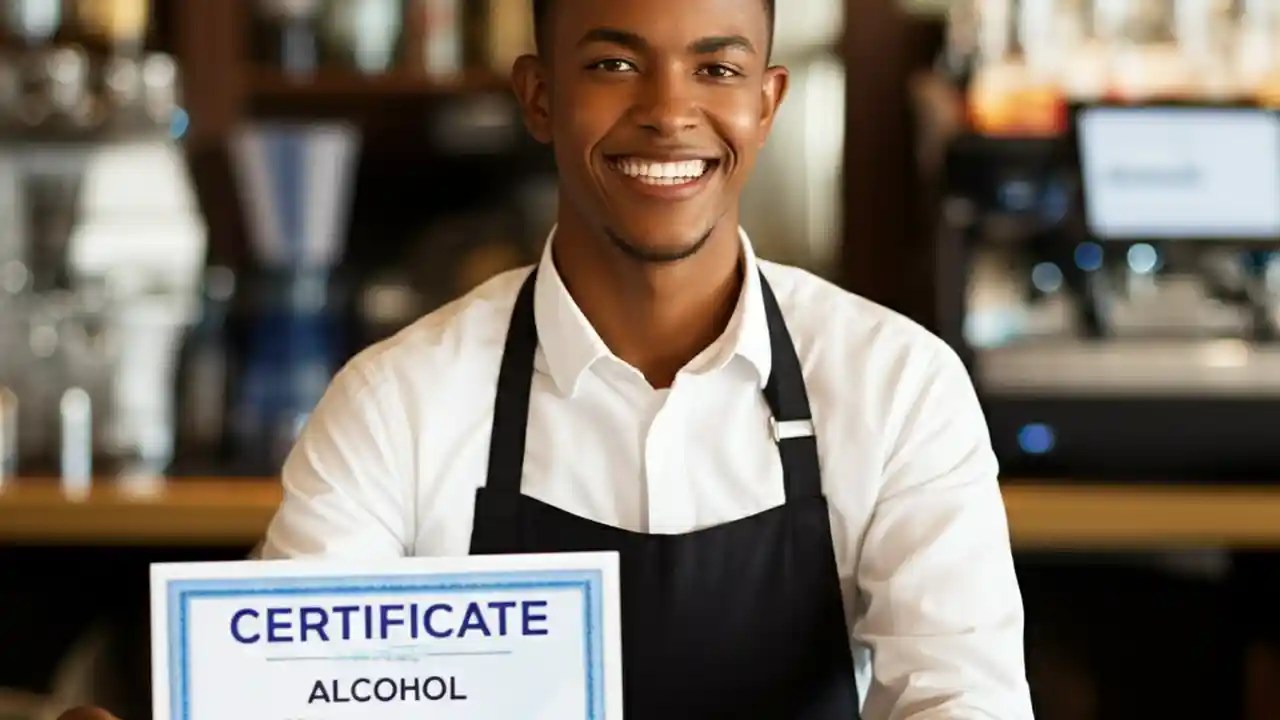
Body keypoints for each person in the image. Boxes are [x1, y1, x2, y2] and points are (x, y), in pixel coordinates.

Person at [61, 0, 1032, 717]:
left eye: (716, 70)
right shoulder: (398, 403)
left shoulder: (897, 387)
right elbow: (290, 698)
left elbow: (959, 699)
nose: (668, 112)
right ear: (537, 95)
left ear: (767, 103)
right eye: (614, 66)